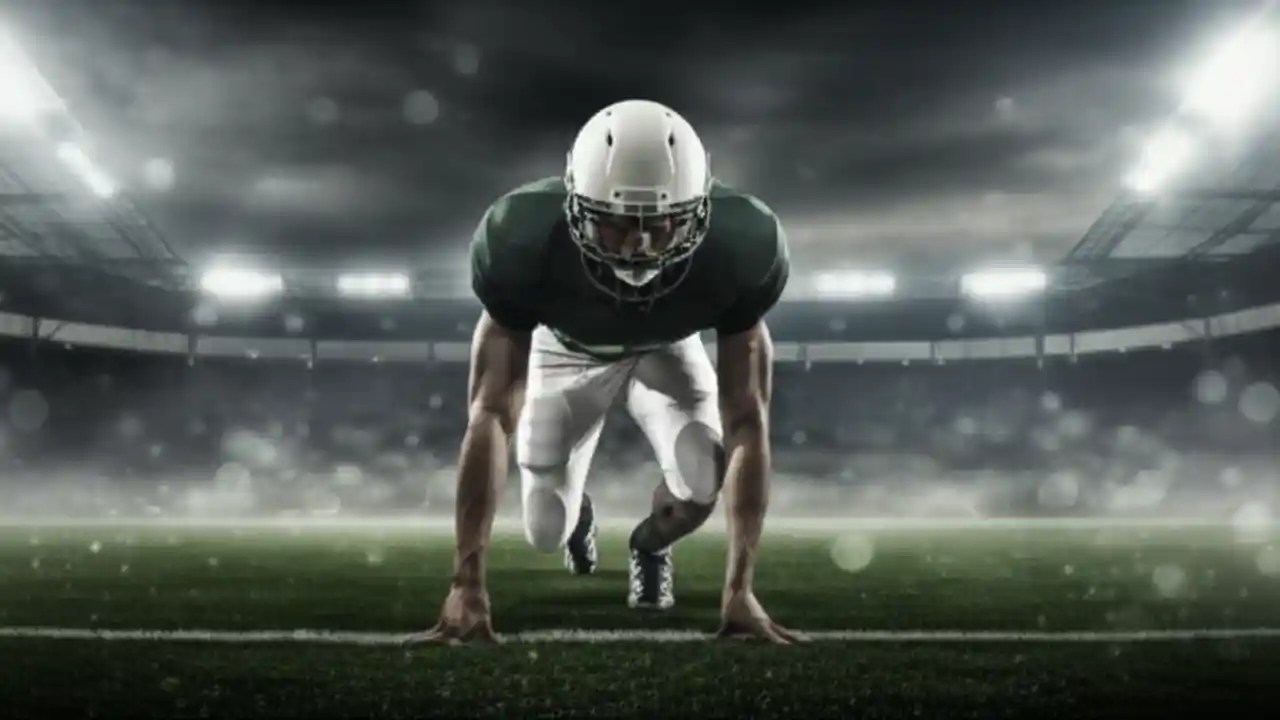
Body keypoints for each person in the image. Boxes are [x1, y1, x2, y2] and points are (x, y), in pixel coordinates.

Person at [407, 99, 800, 644]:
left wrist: (740, 591)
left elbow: (747, 422)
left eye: (660, 223)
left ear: (698, 210)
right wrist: (466, 584)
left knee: (704, 473)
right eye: (615, 224)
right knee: (546, 529)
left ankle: (650, 545)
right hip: (565, 351)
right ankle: (577, 520)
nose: (639, 246)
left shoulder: (744, 245)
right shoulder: (519, 238)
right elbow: (491, 414)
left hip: (668, 348)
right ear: (576, 205)